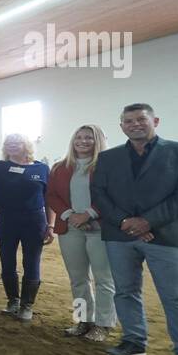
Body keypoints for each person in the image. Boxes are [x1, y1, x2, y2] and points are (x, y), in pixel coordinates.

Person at [91, 103, 178, 355]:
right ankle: (133, 340)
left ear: (154, 120)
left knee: (176, 296)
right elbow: (100, 193)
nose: (135, 124)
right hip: (119, 235)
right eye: (128, 121)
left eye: (141, 119)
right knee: (125, 290)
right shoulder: (109, 158)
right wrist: (125, 222)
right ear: (121, 126)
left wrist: (148, 222)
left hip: (165, 236)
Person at [46, 124, 116, 343]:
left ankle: (104, 324)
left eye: (89, 137)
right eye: (79, 137)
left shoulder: (109, 167)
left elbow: (115, 194)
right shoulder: (59, 167)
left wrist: (89, 214)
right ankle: (83, 320)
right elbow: (52, 195)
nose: (83, 141)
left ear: (98, 141)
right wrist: (70, 215)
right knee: (78, 278)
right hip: (70, 229)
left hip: (101, 228)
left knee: (104, 279)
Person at [0, 134, 53, 322]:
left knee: (32, 262)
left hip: (34, 220)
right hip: (7, 220)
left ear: (26, 145)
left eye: (17, 142)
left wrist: (50, 224)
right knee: (7, 263)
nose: (12, 146)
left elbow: (49, 199)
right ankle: (13, 301)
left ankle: (27, 305)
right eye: (8, 143)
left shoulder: (42, 169)